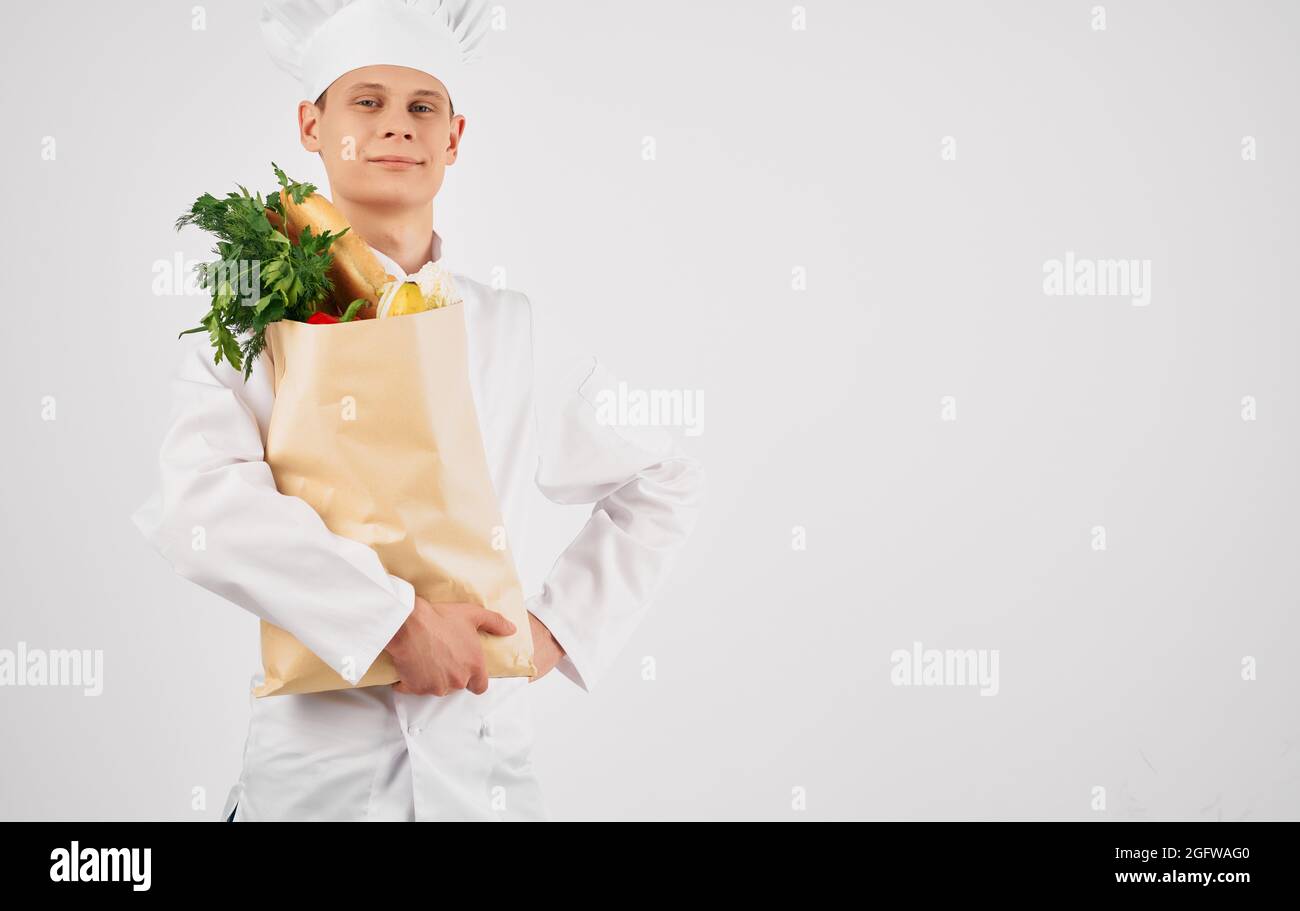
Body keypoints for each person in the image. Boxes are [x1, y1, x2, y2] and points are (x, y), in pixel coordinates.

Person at [132, 0, 704, 822]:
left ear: (454, 139)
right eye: (366, 101)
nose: (396, 125)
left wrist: (554, 630)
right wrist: (394, 621)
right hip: (311, 788)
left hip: (484, 779)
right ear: (311, 125)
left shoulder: (509, 328)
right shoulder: (255, 325)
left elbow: (663, 477)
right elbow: (201, 507)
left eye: (421, 107)